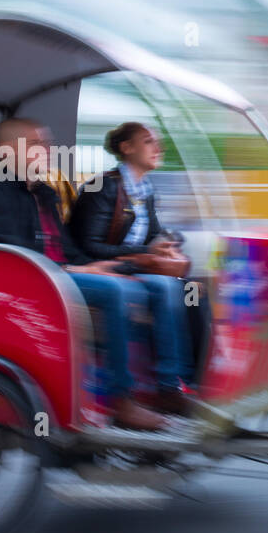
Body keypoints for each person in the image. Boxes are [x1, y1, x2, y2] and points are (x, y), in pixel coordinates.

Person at [0, 118, 169, 430]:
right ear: (6, 153)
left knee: (152, 286)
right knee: (118, 292)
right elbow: (13, 258)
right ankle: (120, 400)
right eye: (35, 144)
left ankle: (162, 387)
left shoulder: (43, 193)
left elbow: (67, 248)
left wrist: (96, 266)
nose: (47, 150)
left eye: (47, 143)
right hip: (31, 283)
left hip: (61, 275)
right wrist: (80, 269)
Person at [69, 122, 199, 398]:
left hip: (131, 264)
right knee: (166, 288)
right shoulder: (102, 186)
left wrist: (168, 245)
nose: (158, 148)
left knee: (194, 290)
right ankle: (168, 385)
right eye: (149, 141)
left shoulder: (144, 190)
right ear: (126, 148)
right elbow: (88, 245)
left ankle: (190, 378)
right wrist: (145, 256)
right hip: (102, 265)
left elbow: (151, 234)